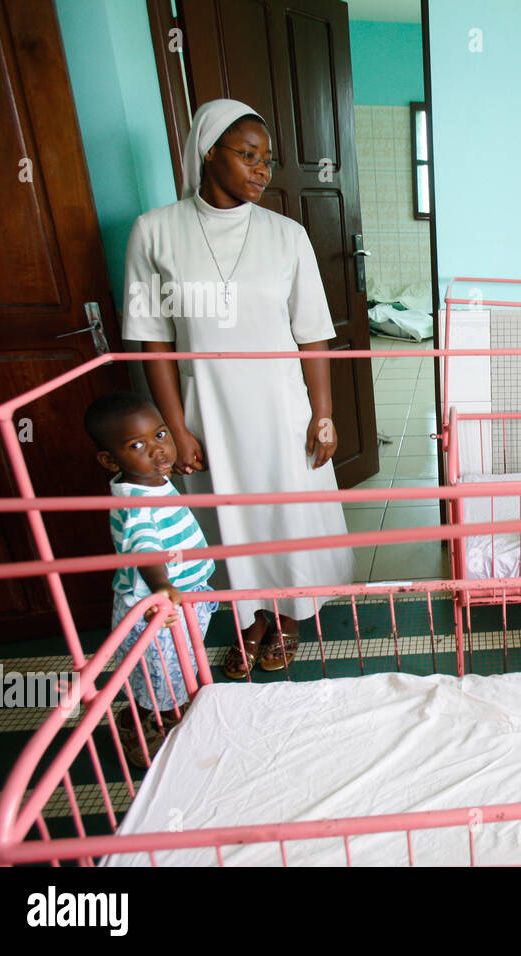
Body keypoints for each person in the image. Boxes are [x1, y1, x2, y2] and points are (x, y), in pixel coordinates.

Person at [122, 99, 354, 679]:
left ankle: (291, 619)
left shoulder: (286, 235)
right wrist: (175, 428)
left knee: (287, 512)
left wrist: (321, 415)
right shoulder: (155, 231)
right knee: (225, 518)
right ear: (208, 153)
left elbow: (314, 335)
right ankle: (249, 624)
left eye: (267, 160)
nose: (261, 170)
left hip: (280, 402)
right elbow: (153, 343)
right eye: (248, 155)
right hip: (208, 408)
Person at [86, 392, 217, 766]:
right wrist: (162, 587)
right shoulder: (136, 500)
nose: (158, 451)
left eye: (160, 435)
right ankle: (151, 729)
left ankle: (154, 714)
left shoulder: (148, 479)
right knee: (162, 675)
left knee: (176, 668)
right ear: (110, 460)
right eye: (137, 445)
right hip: (157, 607)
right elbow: (145, 547)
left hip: (180, 594)